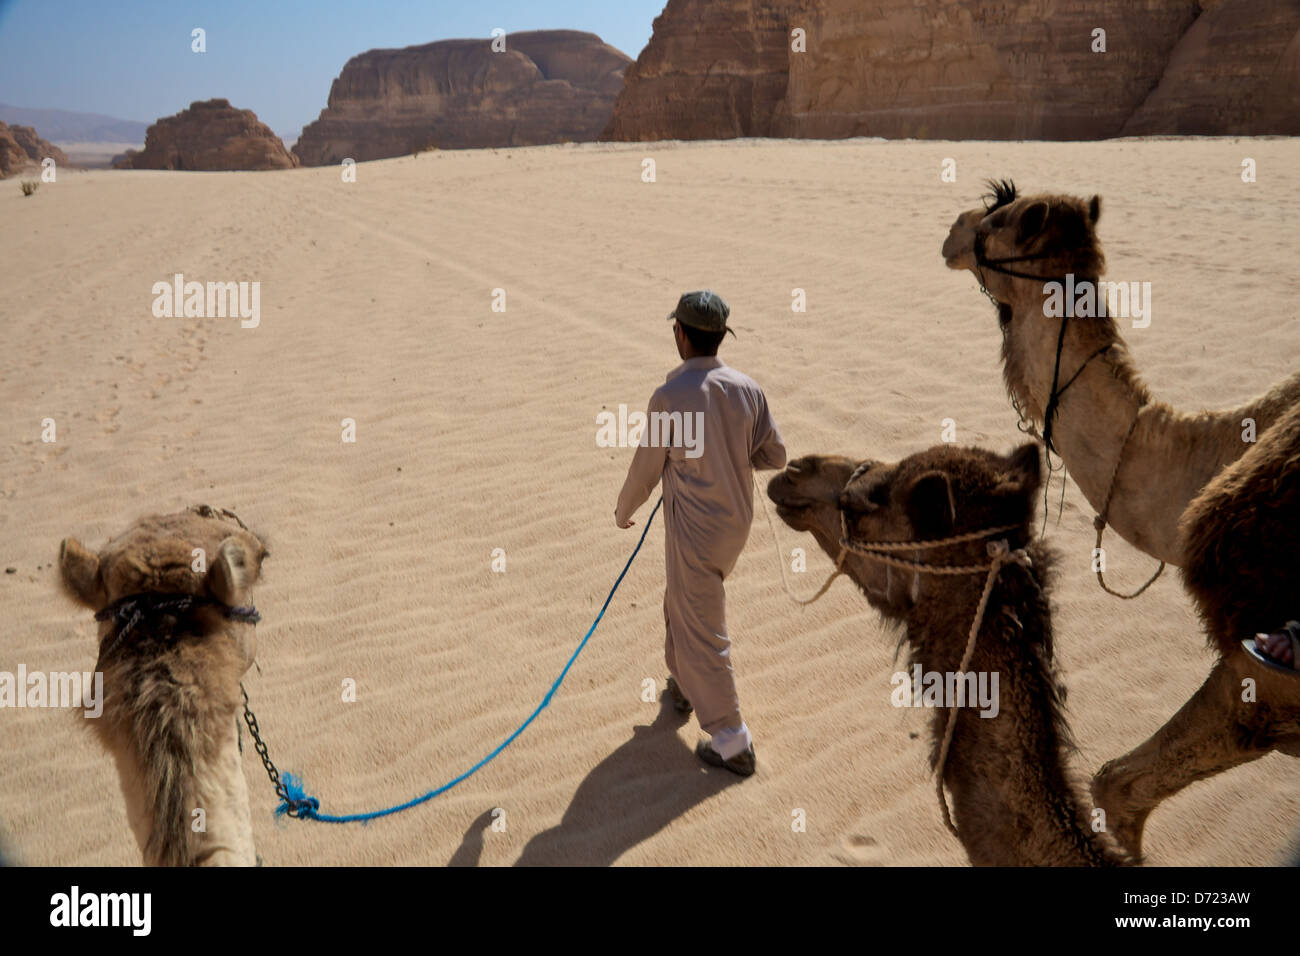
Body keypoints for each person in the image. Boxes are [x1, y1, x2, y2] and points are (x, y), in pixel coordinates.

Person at [615, 290, 787, 776]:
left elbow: (645, 471)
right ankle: (685, 686)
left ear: (682, 335)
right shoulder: (747, 389)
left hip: (696, 533)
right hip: (734, 529)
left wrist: (622, 510)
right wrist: (730, 453)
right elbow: (776, 456)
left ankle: (733, 741)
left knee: (704, 629)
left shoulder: (671, 398)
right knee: (684, 605)